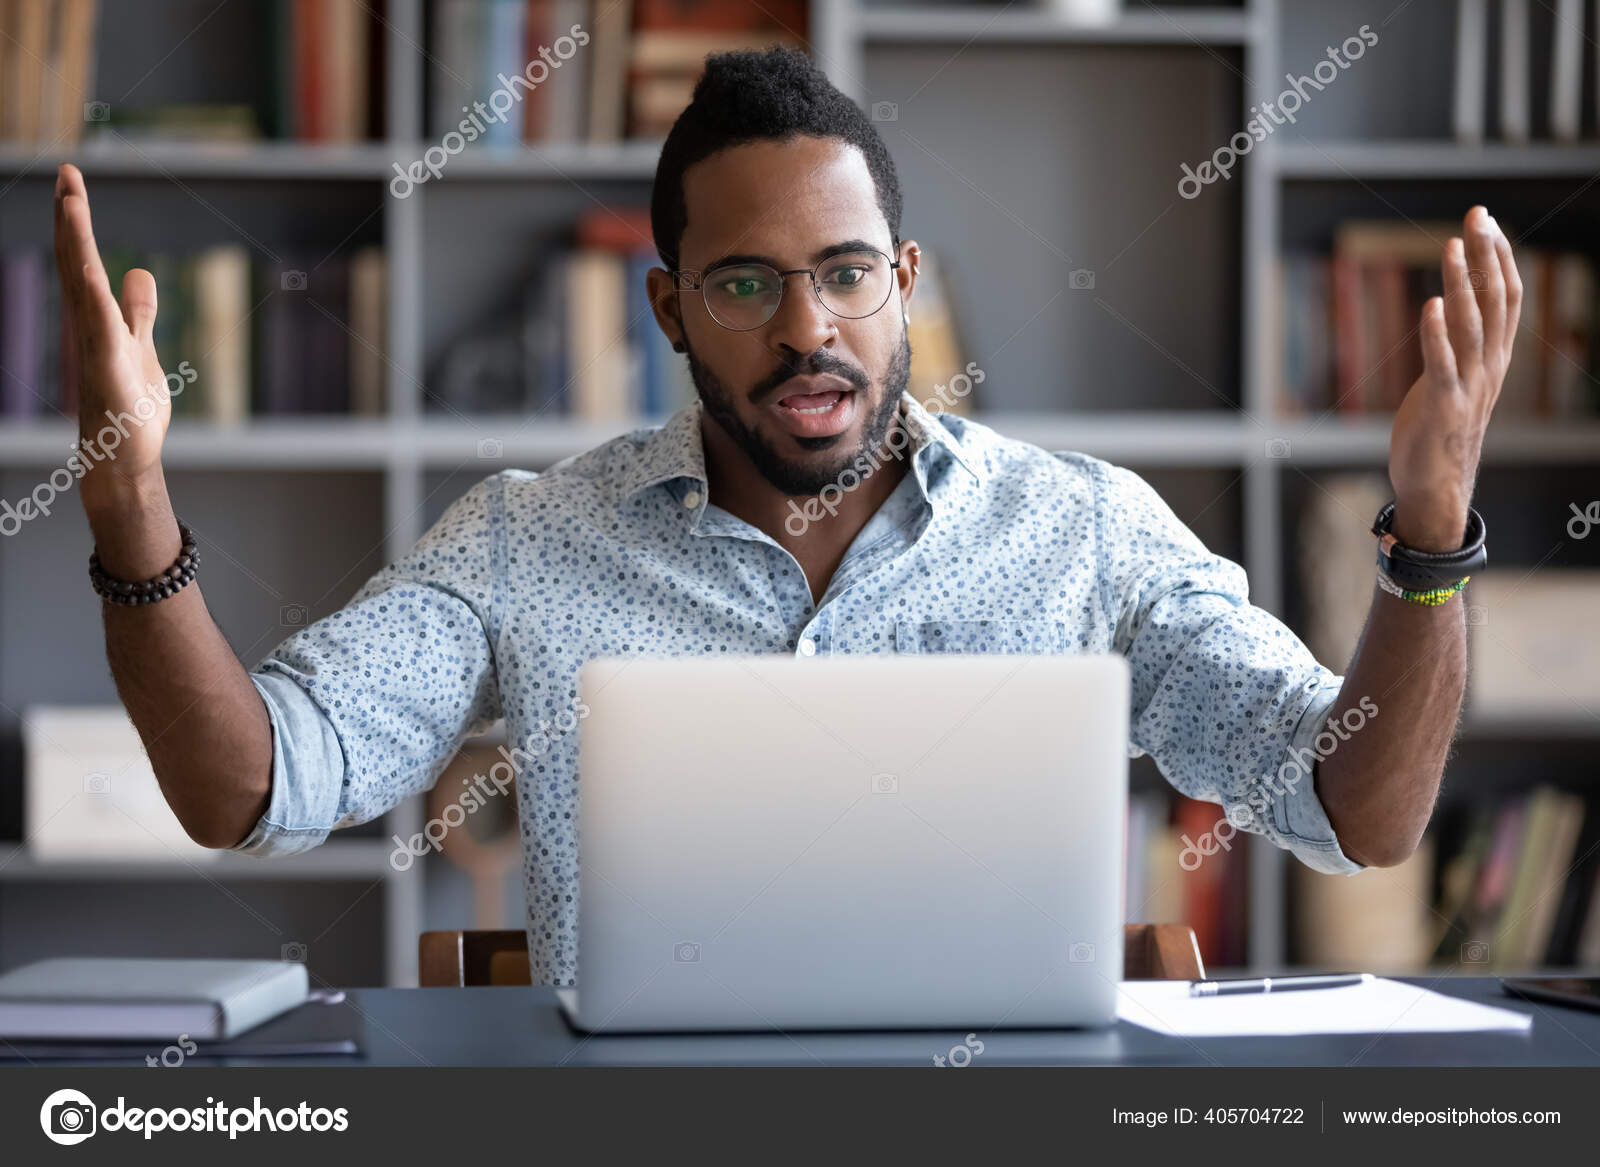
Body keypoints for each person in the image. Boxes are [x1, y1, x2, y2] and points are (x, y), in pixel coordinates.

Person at [55, 48, 1518, 985]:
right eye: (747, 284)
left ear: (906, 280)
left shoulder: (1081, 532)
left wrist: (1433, 537)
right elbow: (253, 789)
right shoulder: (523, 539)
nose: (807, 328)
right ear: (671, 305)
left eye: (847, 274)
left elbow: (1354, 809)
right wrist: (131, 510)